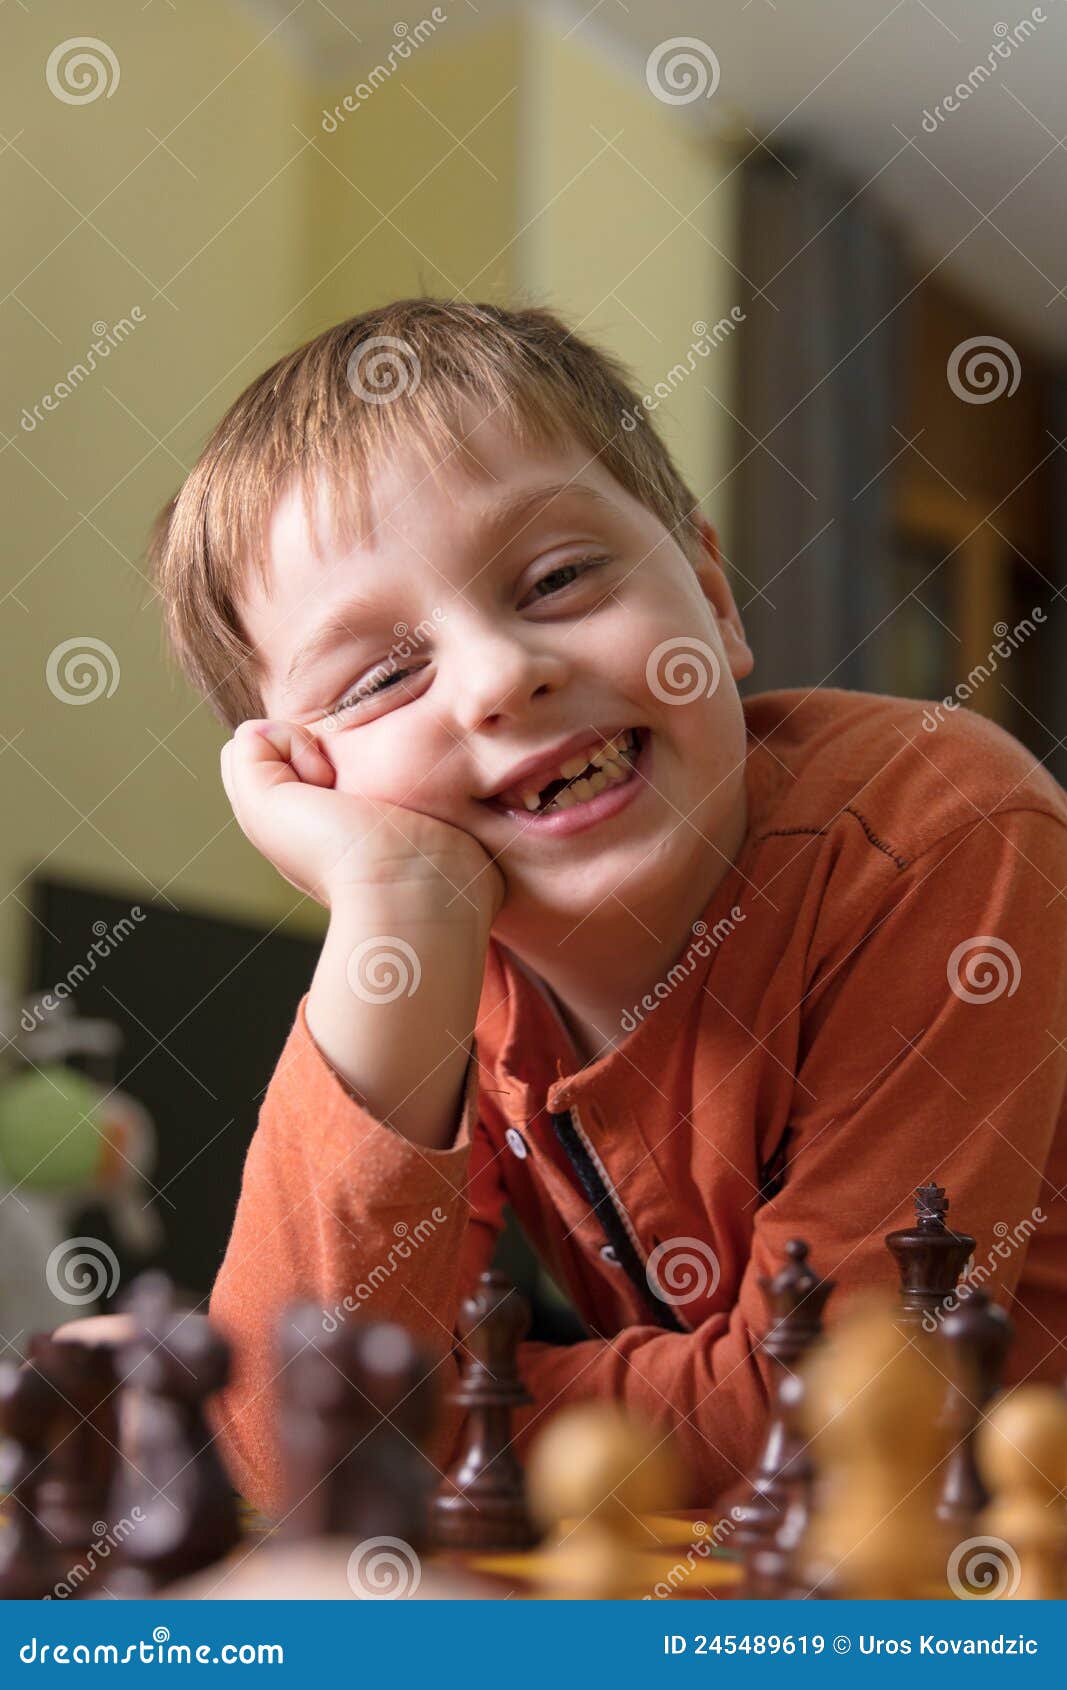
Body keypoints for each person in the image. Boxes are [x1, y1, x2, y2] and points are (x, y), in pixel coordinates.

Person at [148, 298, 1067, 1514]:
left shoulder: (939, 832)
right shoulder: (432, 957)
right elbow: (286, 1440)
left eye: (560, 577)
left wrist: (445, 1424)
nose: (496, 674)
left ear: (711, 598)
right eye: (379, 676)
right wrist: (392, 919)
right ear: (308, 785)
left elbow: (841, 1424)